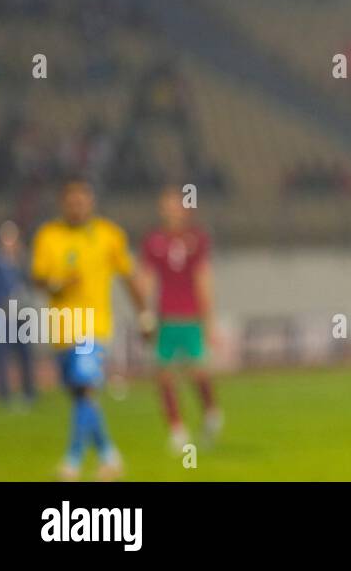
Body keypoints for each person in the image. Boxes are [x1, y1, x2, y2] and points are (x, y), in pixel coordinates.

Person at [31, 176, 153, 480]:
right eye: (71, 201)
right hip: (61, 330)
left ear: (91, 202)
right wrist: (57, 284)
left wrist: (145, 316)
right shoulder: (48, 236)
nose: (77, 206)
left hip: (93, 329)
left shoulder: (109, 235)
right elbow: (39, 278)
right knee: (81, 397)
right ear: (63, 204)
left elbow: (129, 277)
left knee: (86, 388)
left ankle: (71, 462)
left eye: (82, 200)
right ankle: (110, 456)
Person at [140, 185, 222, 450]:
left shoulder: (196, 239)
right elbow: (147, 280)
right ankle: (177, 430)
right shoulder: (154, 241)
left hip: (191, 317)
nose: (171, 212)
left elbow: (203, 279)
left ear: (186, 210)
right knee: (163, 376)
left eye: (176, 207)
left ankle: (211, 411)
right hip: (166, 317)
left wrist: (209, 320)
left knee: (197, 372)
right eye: (166, 207)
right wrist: (146, 315)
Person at [0, 220, 37, 407]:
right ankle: (4, 393)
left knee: (25, 353)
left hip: (21, 315)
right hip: (2, 316)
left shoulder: (21, 262)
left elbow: (30, 284)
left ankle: (29, 391)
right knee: (2, 355)